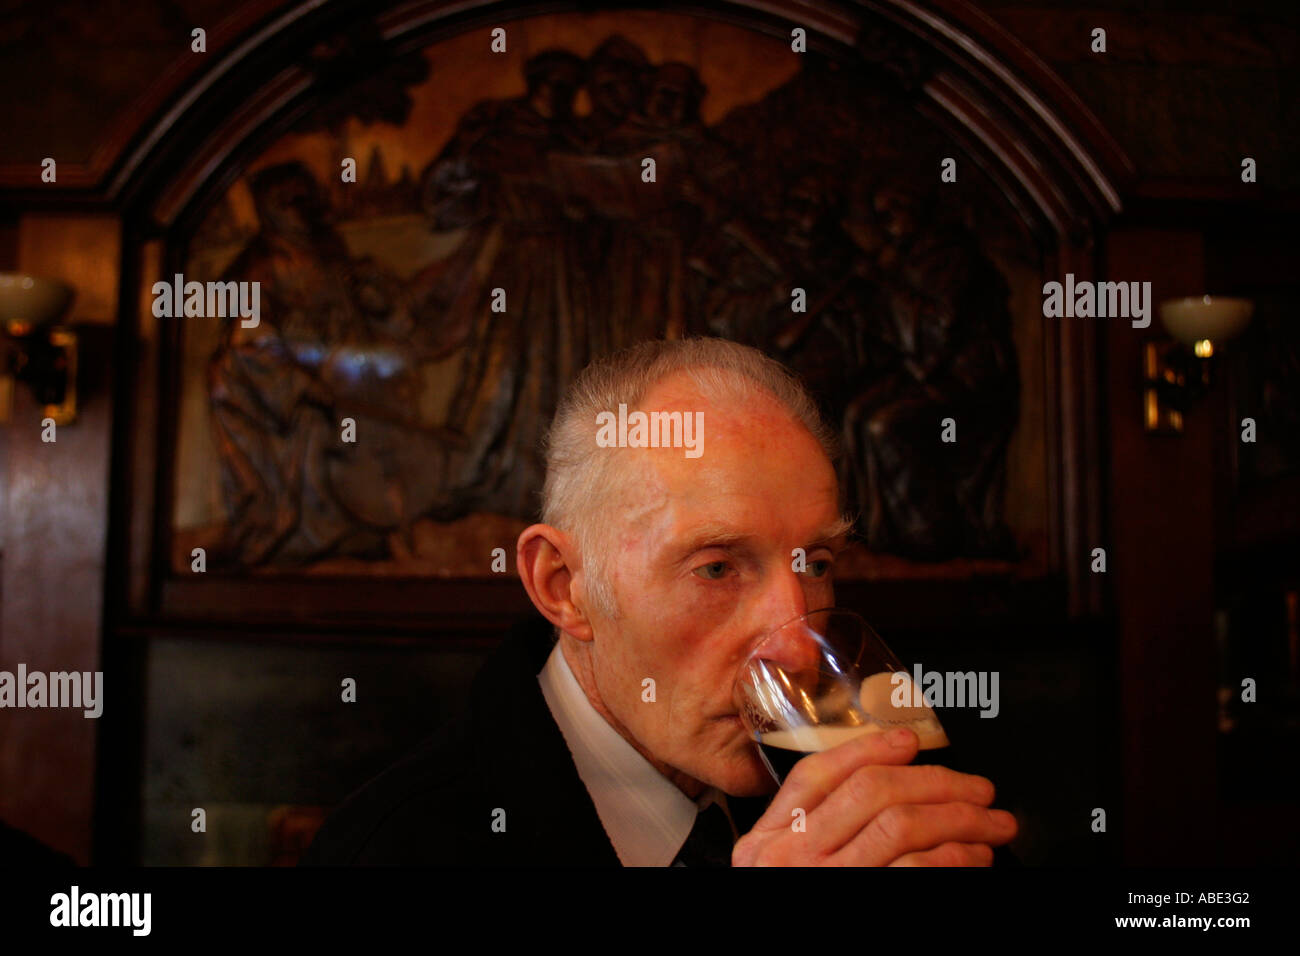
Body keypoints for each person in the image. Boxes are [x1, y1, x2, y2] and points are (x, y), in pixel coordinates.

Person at [301, 337, 1018, 866]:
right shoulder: (390, 849)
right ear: (563, 585)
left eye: (817, 561)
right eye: (716, 569)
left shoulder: (846, 768)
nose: (798, 645)